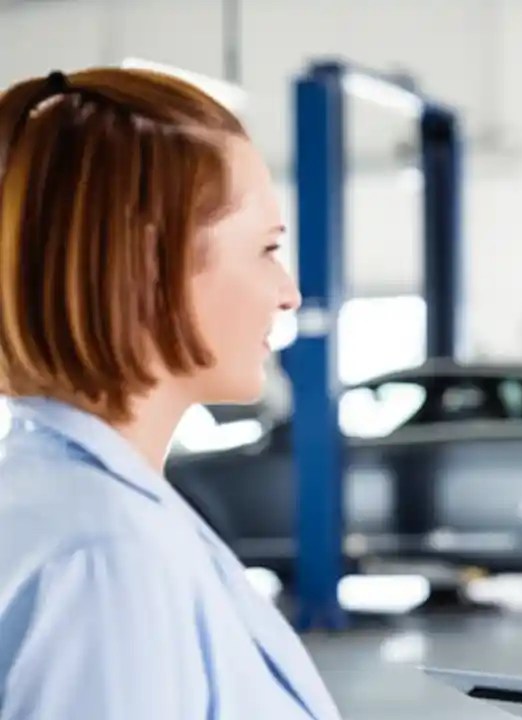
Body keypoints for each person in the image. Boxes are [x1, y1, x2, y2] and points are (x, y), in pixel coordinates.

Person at [0, 68, 340, 719]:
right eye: (267, 249)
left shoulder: (66, 505)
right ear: (151, 267)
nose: (289, 293)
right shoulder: (105, 560)